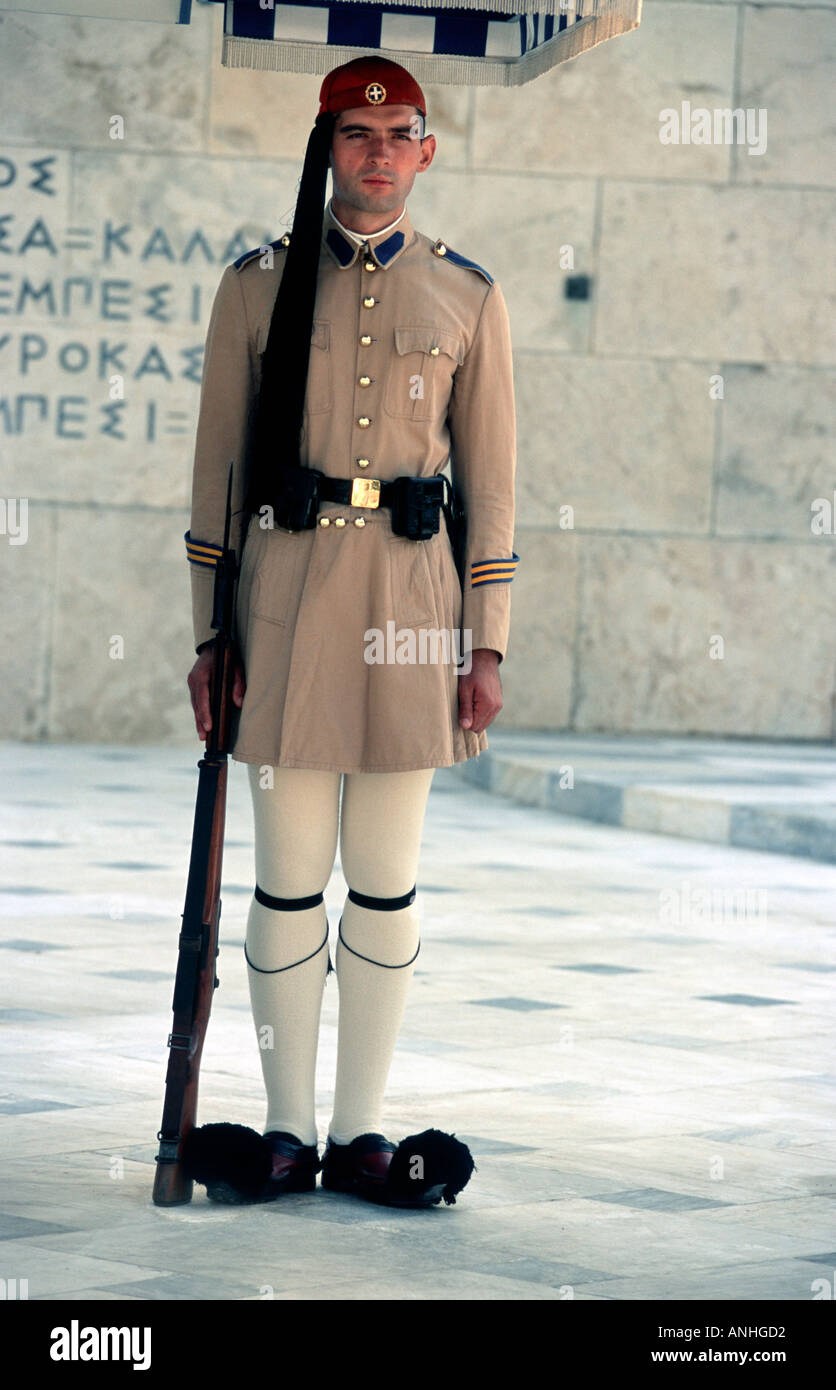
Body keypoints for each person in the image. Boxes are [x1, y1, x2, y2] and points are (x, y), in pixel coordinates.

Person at [181, 56, 518, 1209]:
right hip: (282, 600)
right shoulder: (255, 286)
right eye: (356, 132)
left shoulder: (467, 294)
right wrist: (205, 635)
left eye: (399, 132)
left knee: (383, 879)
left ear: (427, 151)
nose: (377, 151)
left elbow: (496, 484)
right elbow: (218, 475)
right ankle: (283, 1132)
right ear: (327, 148)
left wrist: (488, 643)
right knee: (286, 881)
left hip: (415, 608)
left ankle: (361, 1131)